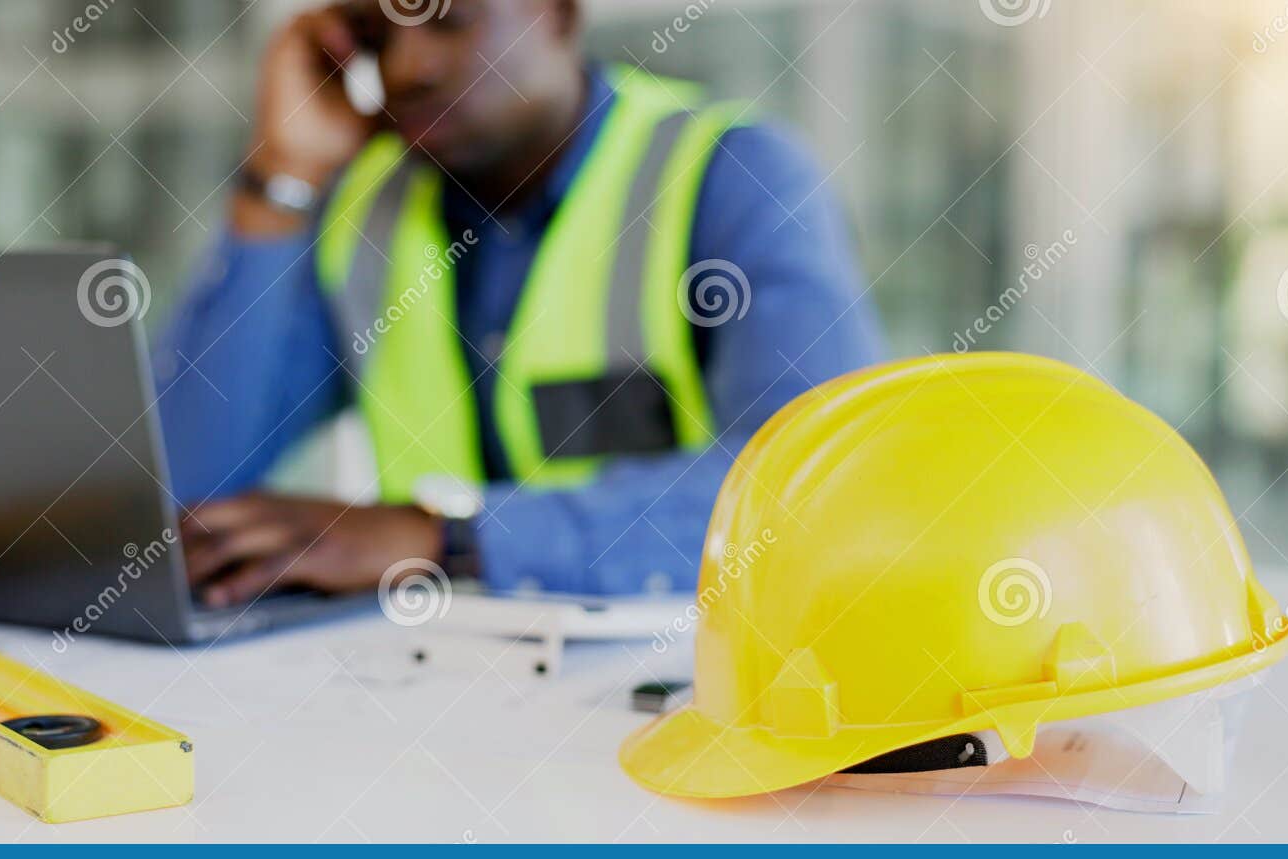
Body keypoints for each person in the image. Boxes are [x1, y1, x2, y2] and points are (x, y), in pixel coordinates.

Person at [156, 0, 884, 608]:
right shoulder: (363, 208)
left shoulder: (731, 174)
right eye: (377, 37)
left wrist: (445, 538)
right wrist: (280, 180)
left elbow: (815, 491)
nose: (408, 69)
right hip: (433, 680)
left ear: (559, 12)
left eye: (449, 21)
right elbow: (181, 487)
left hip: (684, 684)